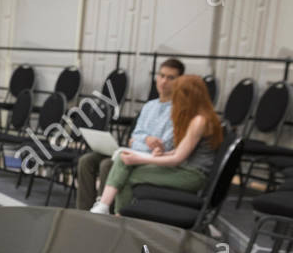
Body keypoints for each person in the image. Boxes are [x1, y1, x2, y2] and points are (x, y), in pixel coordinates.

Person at [89, 74, 222, 215]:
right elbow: (181, 151)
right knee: (124, 159)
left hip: (192, 176)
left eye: (177, 95)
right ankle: (107, 209)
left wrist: (139, 159)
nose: (175, 100)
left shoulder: (199, 121)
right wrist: (163, 154)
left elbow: (178, 159)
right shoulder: (201, 117)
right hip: (186, 170)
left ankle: (119, 216)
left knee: (128, 176)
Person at [77, 58, 184, 209]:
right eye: (161, 75)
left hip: (148, 158)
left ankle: (104, 213)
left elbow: (164, 145)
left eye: (170, 77)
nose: (164, 81)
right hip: (132, 151)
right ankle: (84, 211)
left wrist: (142, 141)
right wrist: (146, 139)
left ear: (179, 81)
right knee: (86, 160)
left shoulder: (179, 111)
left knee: (107, 164)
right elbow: (135, 136)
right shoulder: (149, 106)